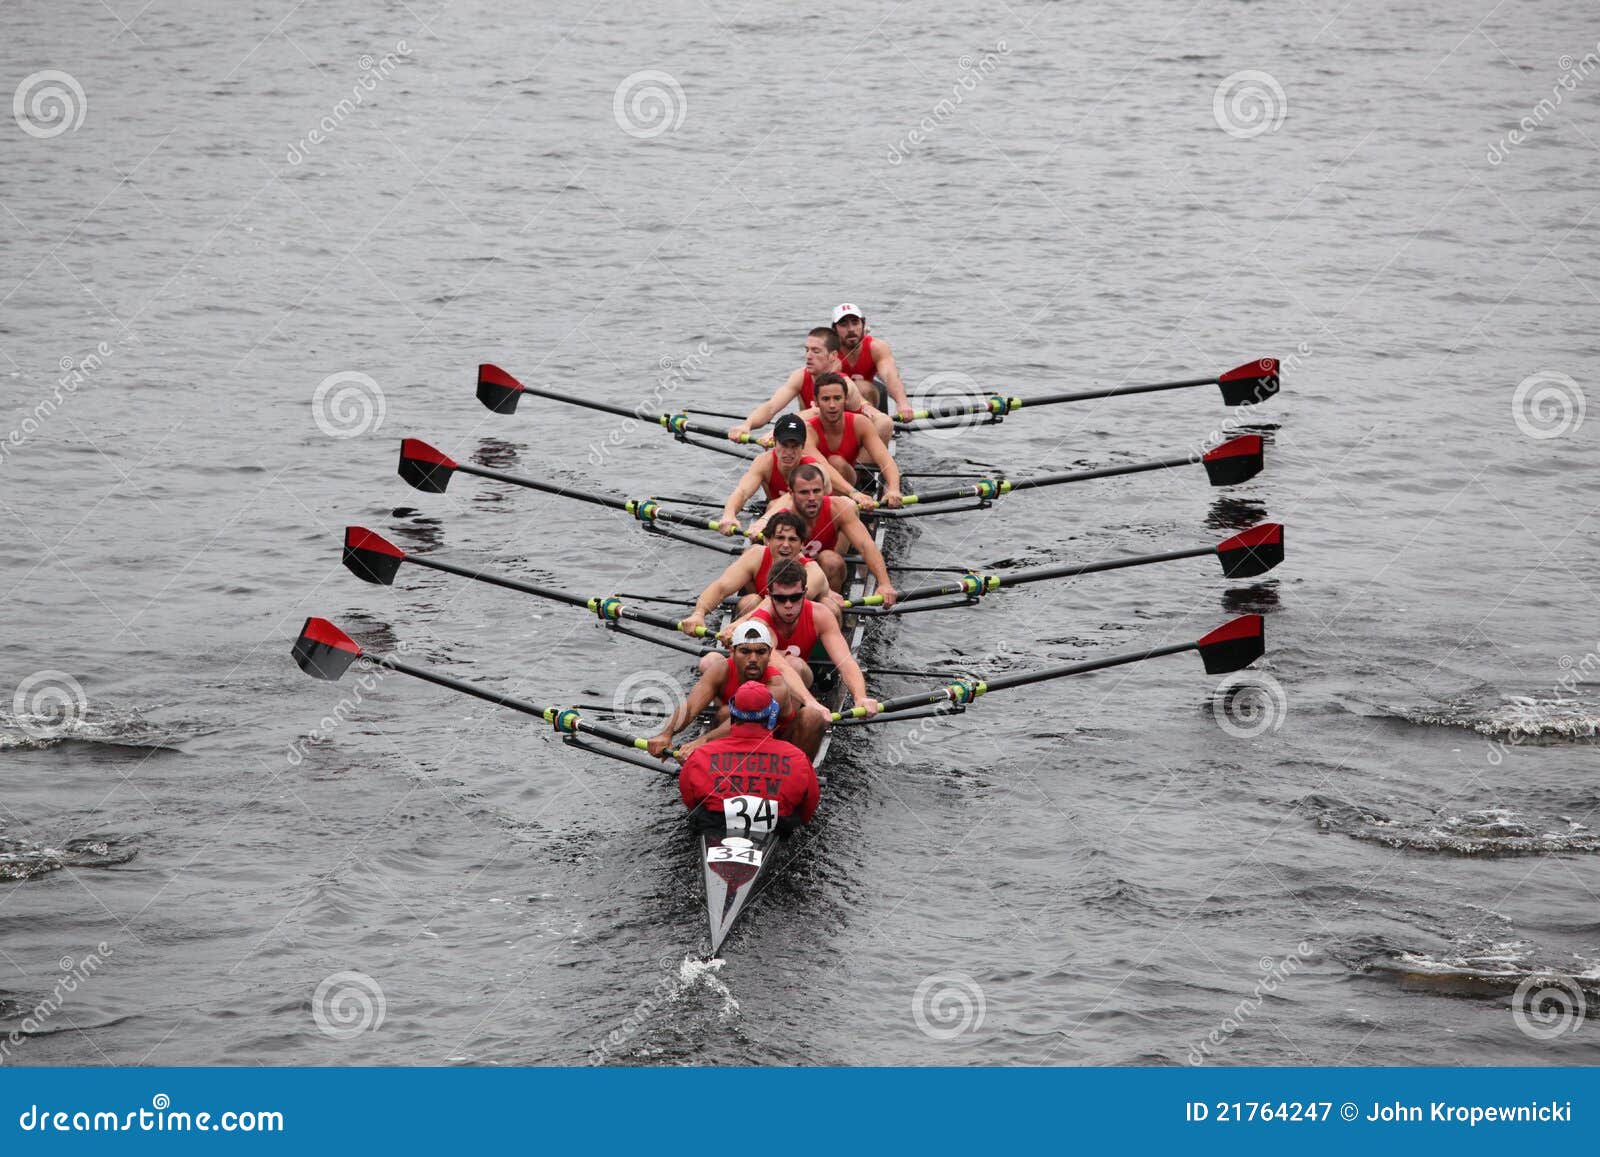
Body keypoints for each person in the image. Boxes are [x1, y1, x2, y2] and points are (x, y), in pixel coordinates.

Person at [648, 619, 830, 760]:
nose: (753, 658)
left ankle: (800, 777)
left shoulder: (777, 684)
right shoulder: (721, 670)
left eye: (760, 652)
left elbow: (744, 718)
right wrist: (666, 734)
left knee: (812, 717)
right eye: (745, 651)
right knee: (725, 713)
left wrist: (702, 741)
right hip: (738, 743)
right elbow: (691, 706)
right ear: (732, 652)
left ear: (769, 655)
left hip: (779, 745)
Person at [727, 560, 880, 719]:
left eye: (795, 597)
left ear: (805, 593)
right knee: (711, 662)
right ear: (769, 596)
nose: (788, 605)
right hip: (763, 683)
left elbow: (846, 661)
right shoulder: (760, 624)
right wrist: (810, 701)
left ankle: (788, 724)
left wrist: (860, 696)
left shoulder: (820, 615)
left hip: (801, 677)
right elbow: (782, 667)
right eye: (780, 598)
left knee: (796, 665)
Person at [678, 680, 820, 833]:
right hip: (776, 825)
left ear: (732, 715)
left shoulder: (700, 755)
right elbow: (808, 808)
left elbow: (690, 801)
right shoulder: (797, 758)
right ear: (772, 716)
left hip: (716, 823)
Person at [748, 463, 898, 602]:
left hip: (823, 573)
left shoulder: (837, 507)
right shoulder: (780, 516)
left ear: (825, 490)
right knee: (748, 597)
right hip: (787, 574)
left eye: (816, 491)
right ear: (791, 494)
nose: (812, 498)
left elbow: (866, 545)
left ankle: (828, 608)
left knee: (831, 561)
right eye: (804, 493)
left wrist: (884, 583)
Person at [727, 327, 891, 442]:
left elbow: (816, 412)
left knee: (884, 422)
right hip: (818, 439)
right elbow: (771, 407)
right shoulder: (799, 376)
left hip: (847, 449)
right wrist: (746, 425)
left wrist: (778, 431)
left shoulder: (843, 383)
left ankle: (864, 479)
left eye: (816, 351)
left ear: (832, 356)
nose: (808, 356)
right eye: (807, 350)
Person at [680, 511, 831, 635]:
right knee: (750, 601)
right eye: (779, 538)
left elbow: (773, 603)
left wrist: (739, 623)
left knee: (829, 607)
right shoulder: (756, 556)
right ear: (767, 539)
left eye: (792, 539)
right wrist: (698, 614)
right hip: (763, 623)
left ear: (802, 544)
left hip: (800, 631)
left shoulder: (812, 572)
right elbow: (721, 587)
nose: (785, 545)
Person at [715, 415, 867, 535]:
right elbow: (742, 492)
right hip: (783, 524)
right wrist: (729, 515)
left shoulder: (811, 468)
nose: (789, 452)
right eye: (784, 445)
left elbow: (791, 497)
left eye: (794, 446)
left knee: (773, 505)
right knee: (773, 507)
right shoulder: (764, 462)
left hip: (814, 523)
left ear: (803, 447)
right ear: (774, 442)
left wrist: (764, 520)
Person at [805, 372, 902, 503]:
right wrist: (854, 493)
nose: (832, 405)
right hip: (816, 486)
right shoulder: (808, 430)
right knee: (834, 462)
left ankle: (846, 507)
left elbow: (886, 460)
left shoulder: (860, 423)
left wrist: (894, 489)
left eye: (837, 398)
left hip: (848, 479)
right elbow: (823, 466)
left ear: (845, 399)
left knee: (837, 462)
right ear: (816, 402)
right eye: (826, 399)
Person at [831, 302, 914, 426]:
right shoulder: (830, 352)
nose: (851, 329)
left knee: (863, 387)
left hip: (870, 394)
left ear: (863, 324)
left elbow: (891, 377)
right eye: (843, 324)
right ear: (834, 329)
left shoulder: (877, 347)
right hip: (838, 400)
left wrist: (902, 403)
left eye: (855, 322)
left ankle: (871, 432)